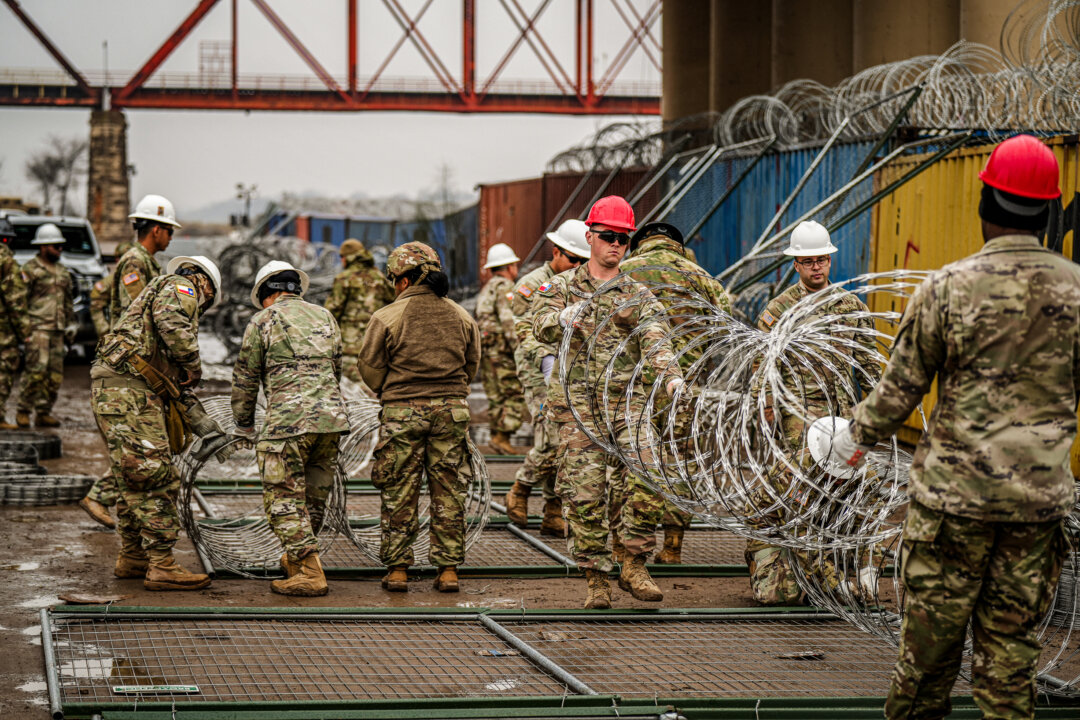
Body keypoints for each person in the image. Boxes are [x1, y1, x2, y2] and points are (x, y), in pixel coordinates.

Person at [826, 135, 1077, 719]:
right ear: (1047, 212)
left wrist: (851, 438)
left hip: (952, 509)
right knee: (1011, 664)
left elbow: (896, 397)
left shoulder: (947, 289)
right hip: (1035, 512)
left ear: (985, 201)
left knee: (927, 663)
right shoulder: (1075, 290)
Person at [532, 196, 682, 609]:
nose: (616, 245)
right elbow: (538, 326)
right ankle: (597, 577)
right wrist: (560, 320)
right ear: (590, 237)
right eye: (608, 237)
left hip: (625, 402)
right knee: (584, 492)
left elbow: (657, 339)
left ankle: (633, 561)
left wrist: (672, 379)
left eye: (624, 239)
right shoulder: (560, 288)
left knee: (652, 471)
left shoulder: (636, 294)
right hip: (577, 405)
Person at [747, 219, 880, 605]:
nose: (816, 267)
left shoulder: (851, 308)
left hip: (841, 417)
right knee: (802, 492)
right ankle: (817, 575)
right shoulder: (779, 311)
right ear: (796, 265)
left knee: (850, 490)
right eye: (808, 262)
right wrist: (767, 409)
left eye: (822, 260)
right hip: (797, 418)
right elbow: (762, 367)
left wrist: (874, 415)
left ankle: (849, 569)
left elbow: (869, 367)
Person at [91, 255, 226, 591]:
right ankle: (162, 565)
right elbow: (175, 326)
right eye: (207, 299)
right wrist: (194, 365)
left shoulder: (155, 304)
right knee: (154, 475)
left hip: (121, 388)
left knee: (132, 474)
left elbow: (172, 385)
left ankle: (134, 557)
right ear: (205, 283)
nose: (203, 304)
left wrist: (205, 426)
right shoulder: (181, 285)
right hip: (128, 391)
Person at [357, 242, 480, 593]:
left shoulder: (387, 317)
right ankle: (448, 570)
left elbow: (370, 368)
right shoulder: (460, 315)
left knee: (399, 488)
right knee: (449, 490)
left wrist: (392, 389)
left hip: (402, 411)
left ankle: (398, 569)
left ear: (401, 280)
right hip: (450, 411)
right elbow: (472, 364)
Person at [232, 261, 351, 597]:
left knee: (284, 498)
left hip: (287, 423)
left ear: (267, 294)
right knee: (312, 498)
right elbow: (336, 367)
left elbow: (246, 378)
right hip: (329, 421)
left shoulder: (263, 320)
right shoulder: (325, 316)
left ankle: (311, 573)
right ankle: (296, 561)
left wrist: (243, 423)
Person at [620, 221, 733, 564]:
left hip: (633, 386)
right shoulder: (703, 277)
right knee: (681, 461)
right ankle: (672, 545)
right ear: (677, 246)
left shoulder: (623, 272)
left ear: (640, 244)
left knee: (632, 461)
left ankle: (626, 546)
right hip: (685, 386)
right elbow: (726, 329)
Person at [503, 220, 590, 536]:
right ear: (556, 252)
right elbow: (522, 329)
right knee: (551, 437)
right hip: (539, 370)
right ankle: (521, 488)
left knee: (567, 440)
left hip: (572, 371)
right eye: (572, 259)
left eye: (583, 260)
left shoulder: (584, 283)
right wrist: (545, 359)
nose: (578, 266)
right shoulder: (532, 285)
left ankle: (553, 509)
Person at [79, 239, 136, 529]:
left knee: (134, 450)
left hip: (126, 359)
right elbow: (96, 300)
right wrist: (106, 332)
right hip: (121, 361)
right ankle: (101, 495)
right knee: (137, 450)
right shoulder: (118, 278)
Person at [15, 223, 75, 429]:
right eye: (55, 246)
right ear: (43, 247)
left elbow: (68, 301)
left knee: (55, 375)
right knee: (36, 372)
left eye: (60, 246)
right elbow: (19, 300)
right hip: (38, 328)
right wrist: (24, 329)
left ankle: (43, 412)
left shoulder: (62, 271)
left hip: (58, 330)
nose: (60, 249)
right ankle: (23, 410)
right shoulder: (30, 270)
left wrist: (71, 325)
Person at [475, 242, 526, 455]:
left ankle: (498, 436)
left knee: (495, 394)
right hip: (503, 351)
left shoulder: (487, 288)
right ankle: (502, 436)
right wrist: (521, 349)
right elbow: (509, 321)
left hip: (488, 350)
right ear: (510, 267)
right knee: (514, 392)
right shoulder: (505, 287)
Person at [324, 239, 395, 387]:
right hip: (375, 343)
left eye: (342, 257)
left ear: (348, 258)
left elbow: (331, 313)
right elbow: (394, 302)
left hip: (350, 347)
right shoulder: (379, 277)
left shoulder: (344, 279)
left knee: (351, 390)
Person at [108, 194, 180, 325]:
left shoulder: (145, 260)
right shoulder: (134, 262)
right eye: (170, 232)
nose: (170, 238)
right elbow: (138, 310)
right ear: (157, 231)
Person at [0, 218, 28, 430]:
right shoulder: (6, 260)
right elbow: (15, 298)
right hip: (3, 330)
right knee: (4, 368)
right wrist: (24, 331)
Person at [89, 240, 135, 339]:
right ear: (117, 260)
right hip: (116, 334)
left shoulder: (140, 279)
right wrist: (104, 331)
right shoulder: (110, 282)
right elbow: (96, 305)